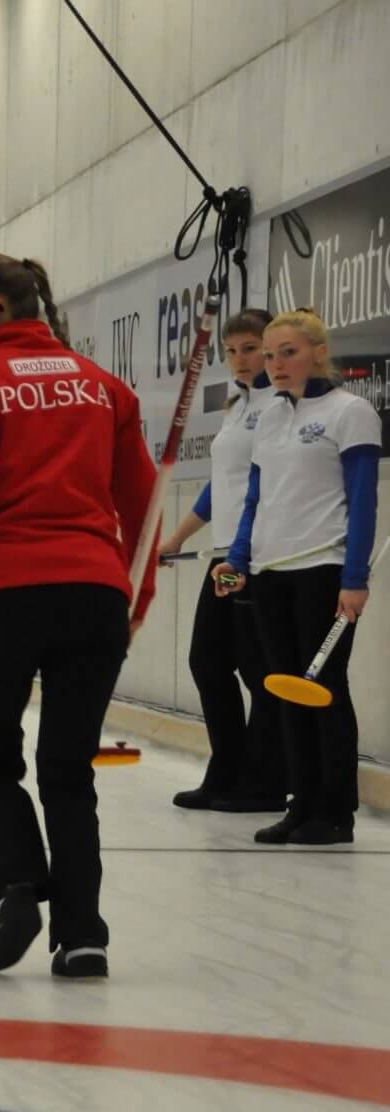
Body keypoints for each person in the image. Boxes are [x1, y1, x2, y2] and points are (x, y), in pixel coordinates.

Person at [0, 253, 155, 981]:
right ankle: (82, 935)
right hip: (93, 594)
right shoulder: (106, 388)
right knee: (67, 770)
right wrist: (132, 599)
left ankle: (17, 888)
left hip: (3, 591)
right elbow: (141, 506)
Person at [219, 308, 380, 847]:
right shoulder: (267, 417)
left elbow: (363, 501)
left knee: (323, 689)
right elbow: (256, 500)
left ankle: (336, 810)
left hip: (324, 569)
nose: (276, 364)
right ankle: (301, 801)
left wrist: (354, 579)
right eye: (269, 355)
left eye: (288, 352)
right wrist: (238, 558)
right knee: (283, 691)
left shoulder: (350, 412)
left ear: (317, 353)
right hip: (270, 573)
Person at [154, 309, 286, 813]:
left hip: (259, 556)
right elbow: (222, 486)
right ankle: (227, 769)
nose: (241, 359)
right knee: (207, 661)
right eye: (232, 351)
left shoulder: (280, 405)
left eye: (251, 348)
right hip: (226, 556)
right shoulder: (240, 404)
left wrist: (245, 552)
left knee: (258, 671)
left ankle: (265, 781)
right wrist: (176, 538)